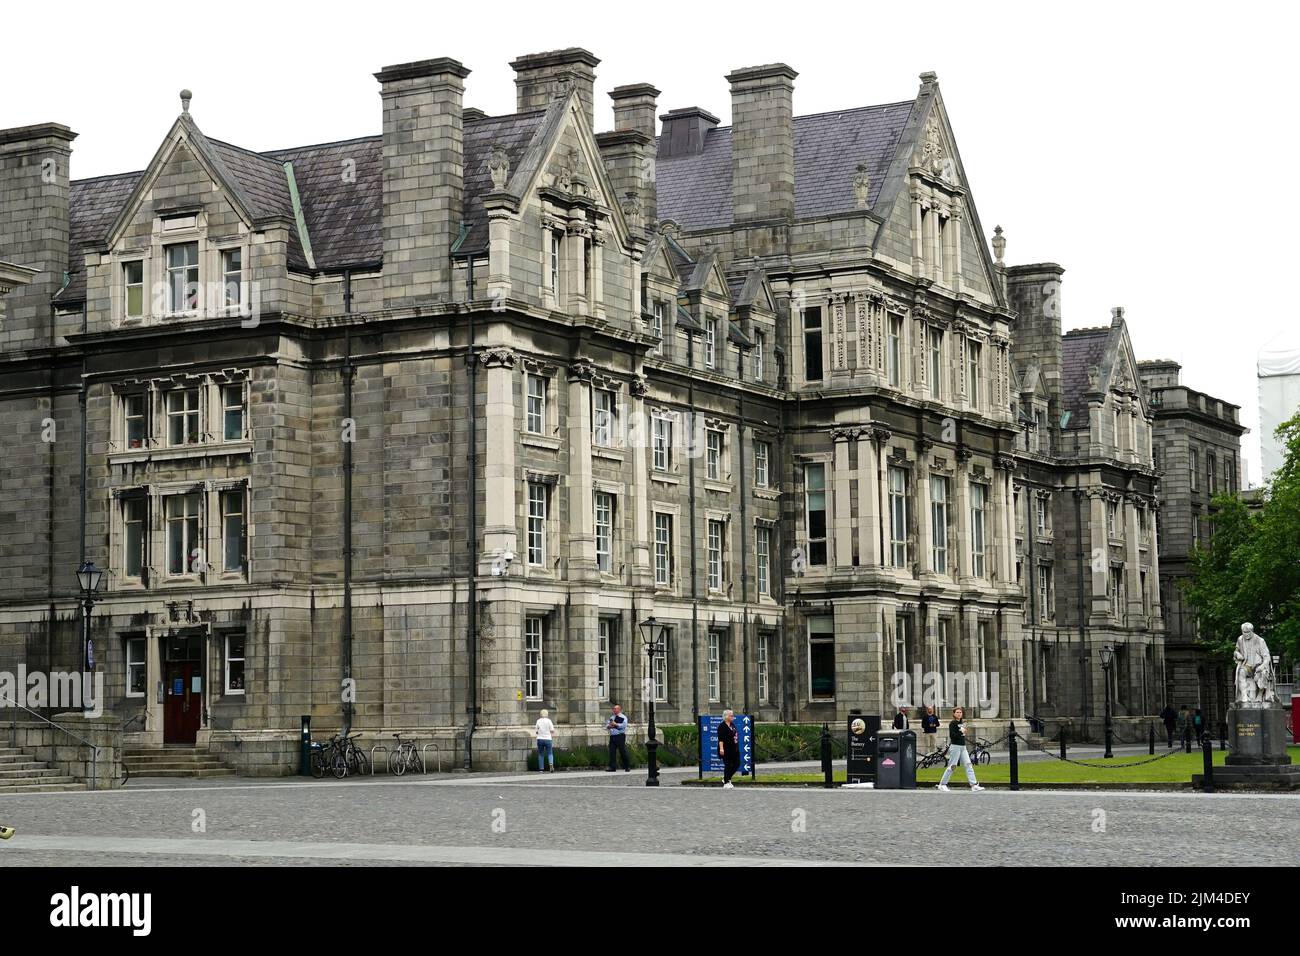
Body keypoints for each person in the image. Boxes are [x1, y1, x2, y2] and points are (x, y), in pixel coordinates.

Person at [937, 706, 984, 792]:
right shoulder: (952, 723)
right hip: (955, 747)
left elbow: (962, 735)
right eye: (957, 712)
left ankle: (973, 785)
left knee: (968, 764)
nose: (959, 714)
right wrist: (961, 732)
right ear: (954, 714)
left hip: (963, 747)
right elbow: (953, 736)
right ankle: (942, 784)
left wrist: (963, 732)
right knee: (953, 766)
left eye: (960, 712)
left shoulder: (962, 723)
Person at [718, 709, 740, 789]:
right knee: (728, 765)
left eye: (732, 715)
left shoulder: (732, 725)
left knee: (737, 764)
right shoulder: (722, 726)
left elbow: (735, 735)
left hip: (734, 748)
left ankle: (726, 778)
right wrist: (721, 749)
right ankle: (726, 782)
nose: (732, 716)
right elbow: (720, 739)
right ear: (726, 716)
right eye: (731, 715)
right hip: (726, 749)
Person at [605, 704, 631, 772]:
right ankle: (612, 767)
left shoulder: (623, 717)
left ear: (619, 709)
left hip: (620, 736)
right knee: (612, 752)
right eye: (613, 709)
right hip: (613, 736)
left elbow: (623, 725)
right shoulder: (612, 717)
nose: (614, 710)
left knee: (622, 751)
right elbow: (607, 725)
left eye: (615, 709)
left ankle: (627, 766)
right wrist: (611, 725)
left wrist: (615, 724)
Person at [534, 709, 556, 773]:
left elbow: (536, 731)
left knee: (541, 754)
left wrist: (540, 732)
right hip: (548, 739)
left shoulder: (538, 721)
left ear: (540, 714)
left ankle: (541, 769)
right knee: (550, 753)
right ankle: (551, 764)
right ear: (547, 714)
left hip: (540, 739)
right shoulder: (549, 721)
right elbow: (552, 730)